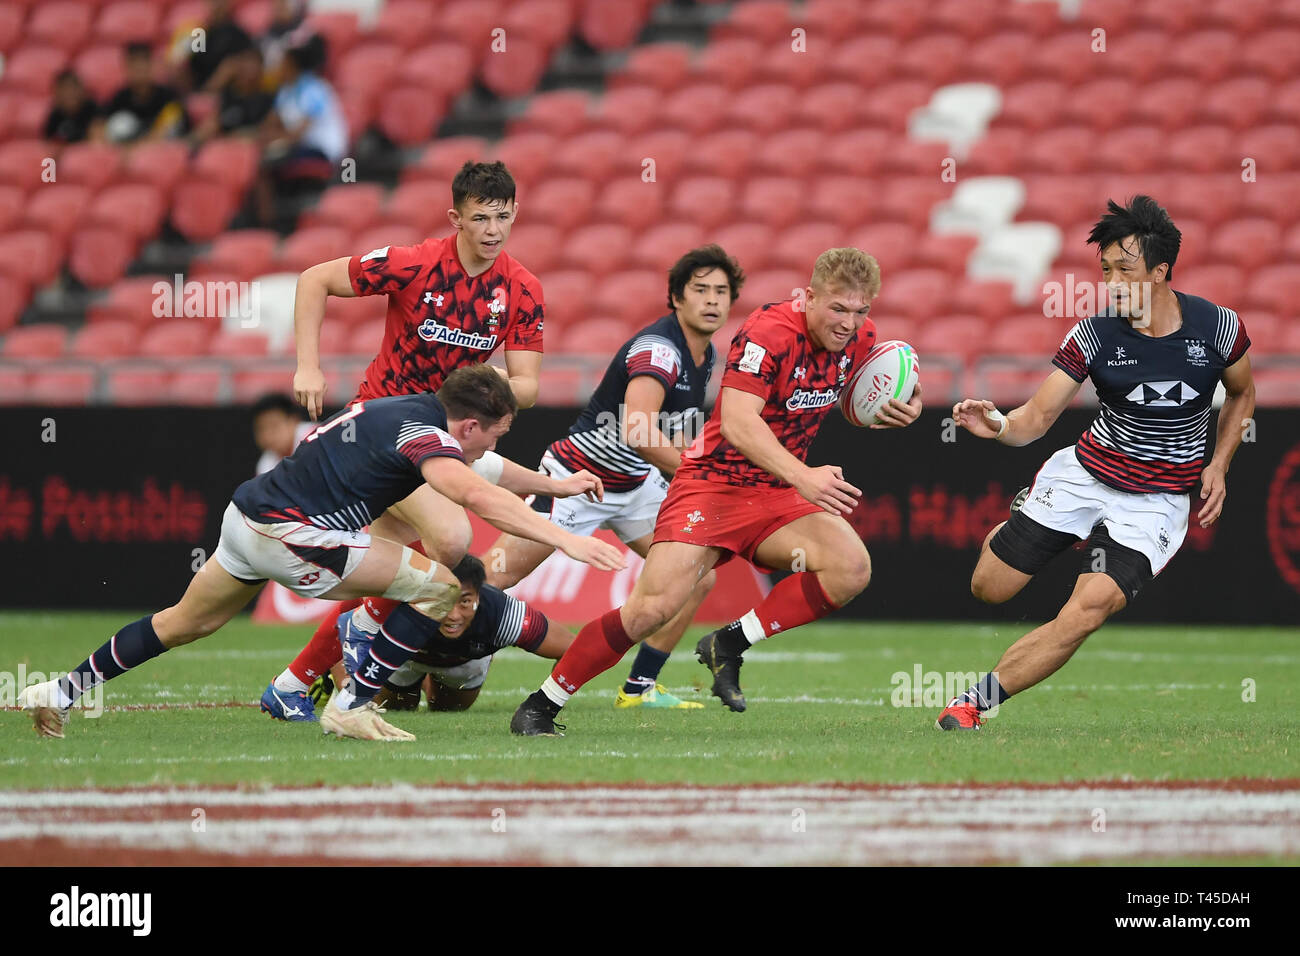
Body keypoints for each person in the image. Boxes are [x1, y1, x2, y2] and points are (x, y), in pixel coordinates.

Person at [18, 365, 624, 741]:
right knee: (440, 585)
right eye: (497, 428)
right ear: (469, 424)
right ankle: (353, 701)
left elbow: (486, 466)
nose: (497, 440)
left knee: (183, 623)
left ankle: (61, 690)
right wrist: (567, 538)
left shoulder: (412, 412)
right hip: (298, 536)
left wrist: (555, 486)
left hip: (245, 520)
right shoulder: (426, 436)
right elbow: (478, 495)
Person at [509, 248, 924, 736]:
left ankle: (729, 642)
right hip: (714, 486)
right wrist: (804, 477)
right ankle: (541, 705)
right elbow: (741, 424)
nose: (848, 323)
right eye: (837, 308)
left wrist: (904, 407)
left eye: (860, 311)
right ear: (809, 297)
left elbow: (862, 396)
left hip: (774, 488)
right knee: (651, 610)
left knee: (851, 568)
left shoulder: (861, 340)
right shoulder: (768, 333)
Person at [936, 195, 1256, 730]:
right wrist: (997, 425)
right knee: (989, 588)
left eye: (1124, 270)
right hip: (1085, 475)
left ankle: (973, 703)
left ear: (1161, 271)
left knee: (1086, 611)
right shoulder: (1094, 334)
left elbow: (1242, 394)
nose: (1111, 283)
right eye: (1105, 270)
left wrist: (1219, 462)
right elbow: (1036, 417)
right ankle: (1023, 515)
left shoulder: (1219, 328)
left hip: (1155, 504)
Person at [269, 160, 547, 702]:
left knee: (398, 571)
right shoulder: (414, 264)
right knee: (451, 540)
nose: (493, 230)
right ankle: (369, 660)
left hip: (444, 442)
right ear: (456, 218)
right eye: (482, 217)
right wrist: (308, 366)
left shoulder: (521, 289)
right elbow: (315, 279)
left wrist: (492, 378)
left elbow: (529, 386)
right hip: (382, 425)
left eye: (504, 217)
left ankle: (297, 681)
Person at [484, 245, 745, 710]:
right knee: (488, 580)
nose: (711, 300)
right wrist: (699, 473)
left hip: (634, 487)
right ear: (676, 298)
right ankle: (379, 647)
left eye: (721, 292)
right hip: (577, 482)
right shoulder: (659, 349)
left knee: (696, 577)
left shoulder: (704, 354)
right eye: (700, 289)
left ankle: (639, 688)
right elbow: (639, 429)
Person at [278, 555, 574, 720]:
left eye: (465, 601)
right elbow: (344, 627)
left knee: (447, 710)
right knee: (397, 708)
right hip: (403, 657)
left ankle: (434, 682)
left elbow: (574, 651)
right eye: (444, 599)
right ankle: (350, 681)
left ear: (481, 596)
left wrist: (546, 704)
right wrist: (342, 679)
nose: (454, 614)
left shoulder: (503, 615)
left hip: (463, 662)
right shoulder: (396, 600)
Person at [95, 43, 188, 143]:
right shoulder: (118, 99)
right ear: (126, 68)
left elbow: (173, 129)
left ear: (152, 65)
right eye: (134, 65)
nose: (140, 70)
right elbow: (99, 127)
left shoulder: (168, 98)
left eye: (143, 63)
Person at [192, 45, 274, 143]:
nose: (248, 72)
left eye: (253, 66)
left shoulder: (267, 99)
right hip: (219, 146)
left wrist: (235, 135)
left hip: (244, 147)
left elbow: (264, 131)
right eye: (244, 66)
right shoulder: (228, 95)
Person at [250, 392, 313, 475]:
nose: (267, 435)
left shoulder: (314, 438)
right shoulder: (266, 465)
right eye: (261, 429)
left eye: (274, 426)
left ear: (293, 420)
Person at [44, 70, 97, 145]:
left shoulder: (94, 112)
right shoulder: (55, 116)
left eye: (73, 88)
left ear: (81, 89)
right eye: (64, 89)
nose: (69, 93)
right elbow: (48, 143)